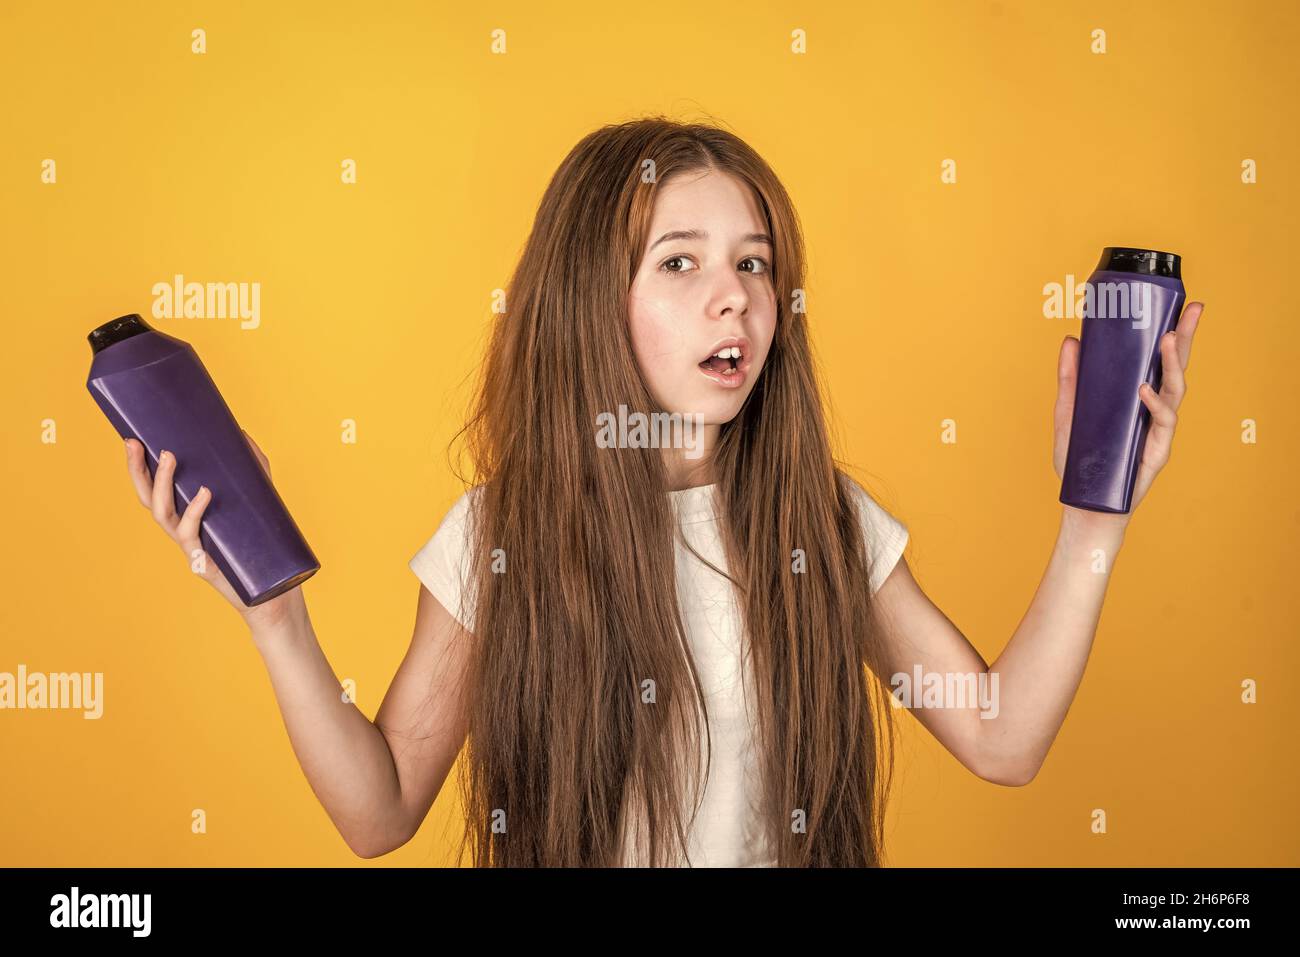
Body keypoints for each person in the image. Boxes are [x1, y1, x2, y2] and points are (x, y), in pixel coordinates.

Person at [122, 116, 1203, 867]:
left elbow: (1002, 741)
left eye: (754, 264)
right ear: (595, 301)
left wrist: (1091, 522)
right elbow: (379, 811)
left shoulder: (816, 524)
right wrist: (276, 621)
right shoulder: (501, 535)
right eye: (679, 264)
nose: (731, 298)